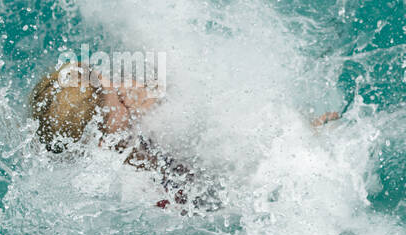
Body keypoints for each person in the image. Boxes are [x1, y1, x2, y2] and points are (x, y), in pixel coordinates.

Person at [28, 62, 338, 212]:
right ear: (102, 139)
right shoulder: (143, 192)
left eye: (108, 76)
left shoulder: (141, 137)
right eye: (121, 98)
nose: (129, 85)